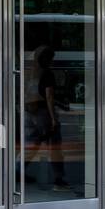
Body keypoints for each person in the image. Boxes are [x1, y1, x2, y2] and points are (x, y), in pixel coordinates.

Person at [24, 45, 69, 191]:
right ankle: (58, 179)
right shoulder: (47, 74)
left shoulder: (30, 72)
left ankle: (15, 172)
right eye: (51, 58)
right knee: (54, 146)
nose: (53, 61)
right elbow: (49, 96)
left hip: (29, 112)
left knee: (31, 145)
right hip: (43, 113)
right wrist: (53, 118)